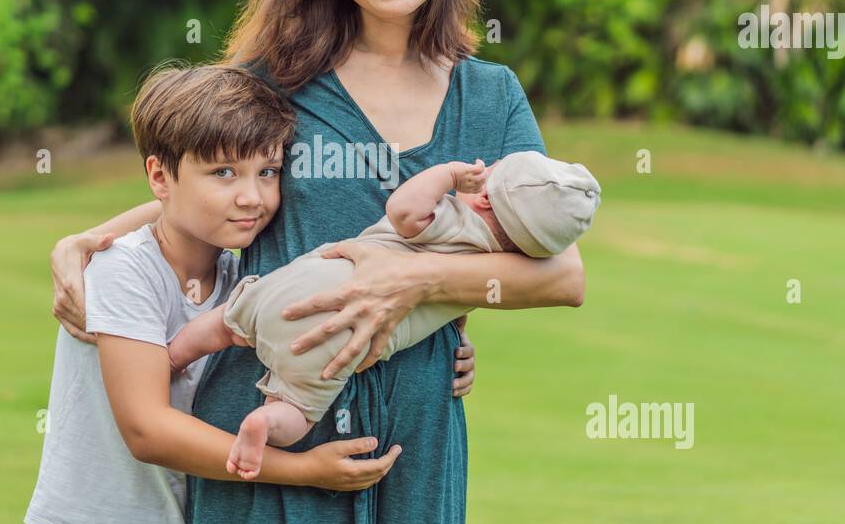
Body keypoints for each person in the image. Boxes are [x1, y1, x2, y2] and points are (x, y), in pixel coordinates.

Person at [50, 0, 585, 524]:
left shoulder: (491, 98)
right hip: (271, 418)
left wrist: (412, 286)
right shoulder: (276, 79)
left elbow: (561, 274)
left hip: (418, 441)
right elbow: (205, 190)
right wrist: (86, 241)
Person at [25, 63, 399, 524]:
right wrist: (303, 470)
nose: (252, 196)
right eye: (223, 173)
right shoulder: (124, 270)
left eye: (267, 172)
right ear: (159, 176)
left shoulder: (238, 279)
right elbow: (146, 430)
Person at [167, 152, 602, 479]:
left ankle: (170, 357)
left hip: (295, 285)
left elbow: (403, 210)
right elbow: (460, 307)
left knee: (224, 325)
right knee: (294, 410)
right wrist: (460, 341)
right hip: (332, 341)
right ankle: (263, 422)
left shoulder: (451, 217)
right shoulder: (485, 264)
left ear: (484, 197)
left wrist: (448, 175)